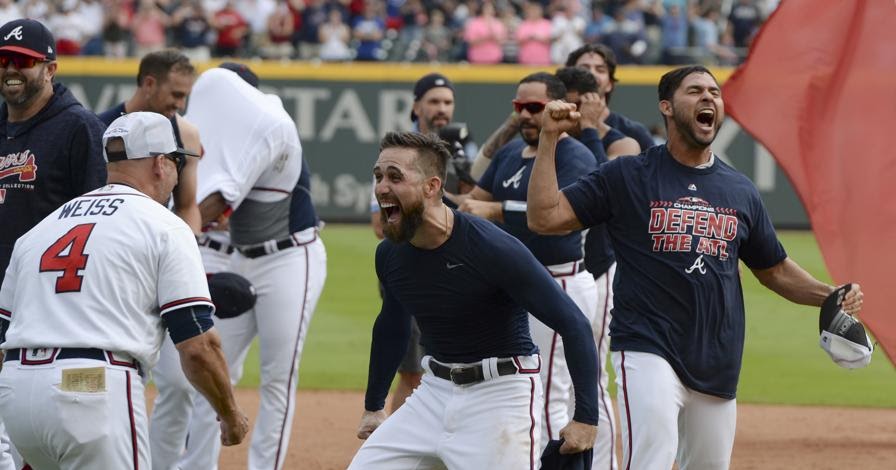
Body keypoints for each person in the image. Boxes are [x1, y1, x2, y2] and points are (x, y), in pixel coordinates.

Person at [526, 65, 865, 470]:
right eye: (695, 91)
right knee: (650, 459)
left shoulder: (739, 189)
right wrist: (549, 139)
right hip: (646, 345)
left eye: (715, 92)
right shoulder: (628, 175)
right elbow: (545, 217)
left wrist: (829, 295)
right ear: (667, 107)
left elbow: (773, 269)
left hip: (717, 356)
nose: (709, 98)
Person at [0, 111, 248, 469]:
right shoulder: (165, 227)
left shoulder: (41, 230)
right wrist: (229, 413)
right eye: (178, 162)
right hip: (93, 390)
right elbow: (198, 346)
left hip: (21, 396)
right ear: (161, 164)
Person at [349, 130, 599, 469]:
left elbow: (573, 323)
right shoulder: (390, 255)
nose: (381, 187)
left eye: (395, 176)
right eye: (378, 176)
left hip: (500, 397)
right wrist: (374, 404)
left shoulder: (491, 247)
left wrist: (586, 417)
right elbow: (393, 324)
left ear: (432, 186)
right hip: (433, 393)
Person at [175, 66, 321, 470]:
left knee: (278, 377)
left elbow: (218, 200)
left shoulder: (272, 128)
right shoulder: (225, 132)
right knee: (214, 370)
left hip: (290, 256)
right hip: (238, 258)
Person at [452, 72, 597, 452]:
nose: (526, 116)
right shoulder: (509, 153)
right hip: (514, 285)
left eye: (535, 107)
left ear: (557, 108)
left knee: (550, 391)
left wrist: (494, 210)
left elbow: (556, 215)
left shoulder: (575, 155)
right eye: (520, 107)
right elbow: (472, 204)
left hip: (558, 279)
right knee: (521, 388)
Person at [0, 20, 107, 467]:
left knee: (50, 432)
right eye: (4, 60)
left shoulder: (78, 128)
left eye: (24, 62)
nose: (11, 69)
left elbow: (101, 222)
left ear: (50, 68)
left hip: (48, 309)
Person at [371, 72, 472, 414]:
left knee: (455, 370)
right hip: (409, 268)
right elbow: (379, 224)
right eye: (433, 101)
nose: (442, 109)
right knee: (413, 373)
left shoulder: (462, 145)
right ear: (417, 105)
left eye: (447, 102)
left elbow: (475, 208)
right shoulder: (398, 151)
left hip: (453, 270)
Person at [554, 65, 633, 470]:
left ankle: (603, 466)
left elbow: (608, 193)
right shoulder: (549, 143)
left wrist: (588, 129)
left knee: (592, 379)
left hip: (597, 269)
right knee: (554, 381)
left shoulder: (621, 142)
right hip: (552, 271)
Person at [97, 48, 202, 234]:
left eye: (185, 96)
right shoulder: (99, 127)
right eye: (176, 94)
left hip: (156, 241)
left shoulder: (187, 134)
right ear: (149, 84)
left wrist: (191, 249)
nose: (181, 105)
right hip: (106, 237)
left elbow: (187, 207)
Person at [566, 43, 655, 151]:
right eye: (583, 68)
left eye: (600, 70)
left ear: (610, 85)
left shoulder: (634, 132)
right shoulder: (556, 128)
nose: (591, 73)